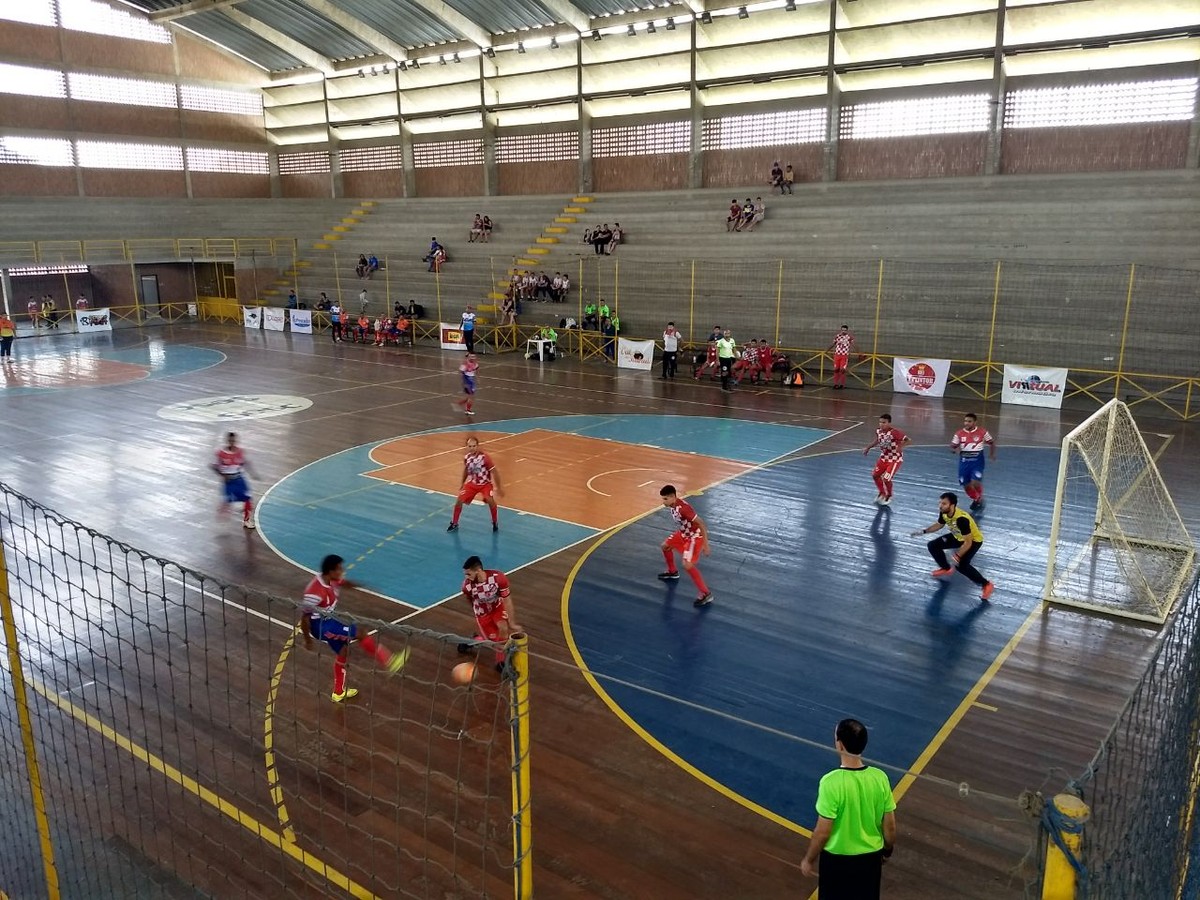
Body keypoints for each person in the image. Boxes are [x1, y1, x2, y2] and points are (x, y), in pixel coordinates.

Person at [800, 718, 897, 899]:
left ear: (840, 745)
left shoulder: (831, 782)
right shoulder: (880, 778)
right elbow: (890, 827)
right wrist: (887, 851)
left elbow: (822, 832)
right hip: (870, 860)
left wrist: (809, 859)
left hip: (837, 862)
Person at [298, 554, 410, 702]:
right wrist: (307, 640)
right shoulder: (315, 593)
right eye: (339, 569)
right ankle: (389, 661)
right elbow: (304, 619)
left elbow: (344, 583)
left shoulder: (331, 579)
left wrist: (363, 586)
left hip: (329, 621)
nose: (342, 571)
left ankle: (338, 692)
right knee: (361, 633)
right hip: (321, 627)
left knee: (343, 651)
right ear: (330, 571)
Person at [911, 491, 995, 600]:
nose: (940, 505)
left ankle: (986, 584)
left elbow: (968, 542)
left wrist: (957, 556)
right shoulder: (944, 512)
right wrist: (924, 531)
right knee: (933, 545)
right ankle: (946, 568)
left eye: (944, 503)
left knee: (962, 566)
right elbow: (940, 524)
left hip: (973, 541)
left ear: (952, 505)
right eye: (940, 502)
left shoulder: (961, 520)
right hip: (958, 536)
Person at [459, 556, 520, 672]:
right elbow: (470, 601)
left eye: (468, 574)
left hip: (497, 608)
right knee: (492, 642)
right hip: (483, 614)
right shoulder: (467, 587)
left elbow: (507, 600)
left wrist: (512, 623)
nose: (466, 577)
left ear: (478, 571)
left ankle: (500, 664)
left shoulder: (498, 578)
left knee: (503, 629)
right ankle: (473, 640)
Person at [657, 485, 713, 607]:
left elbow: (701, 523)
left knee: (687, 565)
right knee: (665, 546)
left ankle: (706, 593)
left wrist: (705, 544)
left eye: (665, 499)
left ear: (673, 497)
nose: (663, 502)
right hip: (683, 534)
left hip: (694, 536)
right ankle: (672, 572)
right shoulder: (673, 506)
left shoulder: (683, 509)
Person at [447, 435, 503, 532]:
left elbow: (495, 472)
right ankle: (455, 523)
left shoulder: (485, 458)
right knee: (459, 501)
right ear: (467, 447)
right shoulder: (467, 458)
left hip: (485, 484)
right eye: (470, 446)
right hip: (472, 484)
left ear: (477, 446)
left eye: (474, 446)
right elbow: (466, 470)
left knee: (490, 500)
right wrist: (462, 483)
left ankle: (495, 522)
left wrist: (498, 488)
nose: (472, 448)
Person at [951, 413, 996, 511]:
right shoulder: (959, 434)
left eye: (969, 421)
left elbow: (991, 442)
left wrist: (992, 454)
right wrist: (955, 450)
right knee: (966, 485)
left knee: (975, 482)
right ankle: (977, 499)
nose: (966, 423)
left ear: (975, 422)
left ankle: (979, 498)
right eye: (965, 421)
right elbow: (953, 446)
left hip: (977, 463)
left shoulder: (982, 432)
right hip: (964, 463)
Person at [862, 414, 910, 506]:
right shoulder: (878, 431)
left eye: (884, 422)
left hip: (894, 459)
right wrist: (868, 447)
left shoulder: (894, 432)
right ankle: (882, 493)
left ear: (889, 423)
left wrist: (900, 447)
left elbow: (908, 440)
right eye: (880, 422)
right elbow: (878, 440)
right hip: (884, 458)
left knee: (886, 479)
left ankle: (889, 495)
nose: (881, 424)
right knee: (875, 475)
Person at [212, 432, 256, 529]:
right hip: (229, 482)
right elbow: (214, 466)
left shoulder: (240, 451)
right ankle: (224, 511)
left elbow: (245, 463)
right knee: (228, 500)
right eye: (230, 441)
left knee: (248, 498)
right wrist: (223, 475)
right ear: (228, 441)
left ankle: (247, 520)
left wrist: (253, 474)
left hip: (239, 479)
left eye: (234, 441)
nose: (232, 442)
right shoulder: (221, 453)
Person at [828, 325, 856, 390]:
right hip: (837, 355)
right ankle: (836, 384)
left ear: (847, 330)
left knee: (842, 370)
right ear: (841, 330)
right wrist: (827, 350)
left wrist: (860, 353)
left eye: (845, 330)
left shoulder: (849, 337)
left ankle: (842, 384)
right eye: (842, 330)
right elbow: (833, 344)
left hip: (844, 355)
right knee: (836, 370)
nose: (843, 331)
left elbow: (854, 345)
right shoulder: (837, 336)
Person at [453, 352, 479, 416]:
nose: (473, 358)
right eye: (471, 356)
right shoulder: (465, 364)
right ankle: (468, 410)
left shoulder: (475, 364)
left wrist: (477, 379)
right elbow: (461, 373)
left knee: (469, 397)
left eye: (474, 357)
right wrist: (465, 383)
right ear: (469, 357)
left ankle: (458, 404)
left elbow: (475, 372)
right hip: (467, 382)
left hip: (471, 382)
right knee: (471, 397)